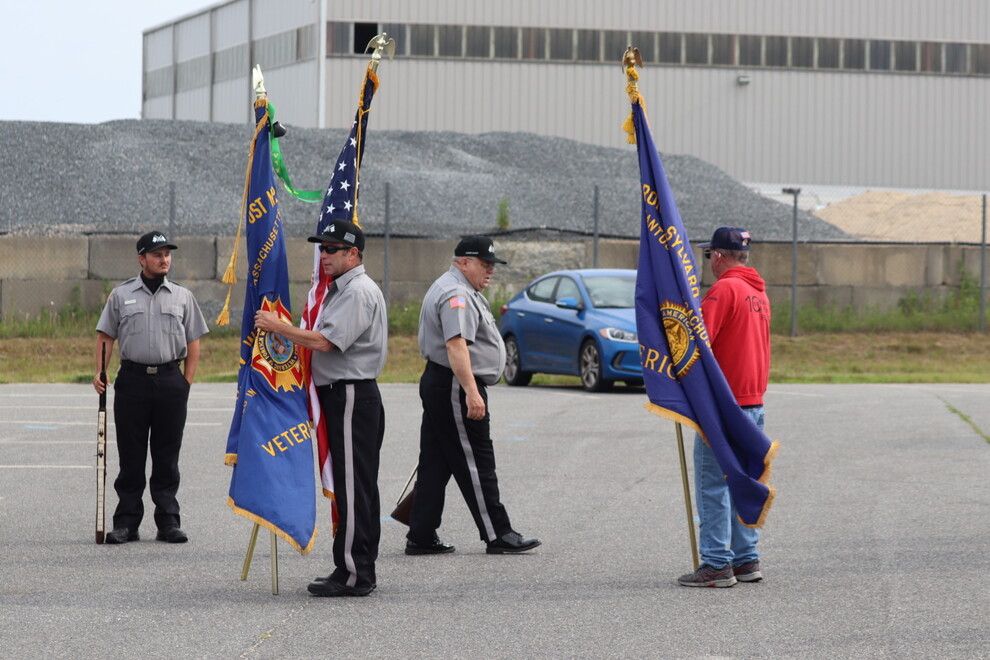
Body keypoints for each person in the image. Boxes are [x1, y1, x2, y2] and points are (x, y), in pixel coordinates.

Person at [254, 220, 387, 597]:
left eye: (331, 249)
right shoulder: (341, 289)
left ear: (353, 253)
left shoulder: (356, 291)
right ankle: (359, 567)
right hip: (347, 395)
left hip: (349, 395)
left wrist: (278, 327)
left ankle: (354, 573)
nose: (323, 255)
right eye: (321, 248)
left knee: (353, 487)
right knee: (357, 486)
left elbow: (326, 342)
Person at [405, 235, 540, 556]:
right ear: (463, 262)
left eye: (492, 265)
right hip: (455, 384)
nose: (490, 271)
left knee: (435, 463)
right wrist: (470, 392)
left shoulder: (460, 288)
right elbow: (456, 345)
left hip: (445, 382)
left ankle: (421, 533)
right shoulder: (456, 293)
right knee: (477, 460)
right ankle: (498, 533)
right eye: (484, 264)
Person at [93, 231, 209, 545]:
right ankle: (126, 523)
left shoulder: (182, 296)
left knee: (167, 454)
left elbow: (194, 341)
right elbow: (105, 336)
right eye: (157, 254)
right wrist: (99, 372)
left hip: (171, 380)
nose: (164, 259)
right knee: (131, 455)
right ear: (141, 258)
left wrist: (186, 382)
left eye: (167, 254)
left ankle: (168, 521)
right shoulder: (121, 295)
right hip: (132, 381)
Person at [678, 226, 771, 587]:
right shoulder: (757, 292)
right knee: (742, 480)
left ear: (718, 256)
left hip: (725, 407)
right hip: (753, 403)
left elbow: (697, 343)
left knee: (714, 484)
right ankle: (746, 559)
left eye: (709, 255)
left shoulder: (724, 289)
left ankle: (717, 563)